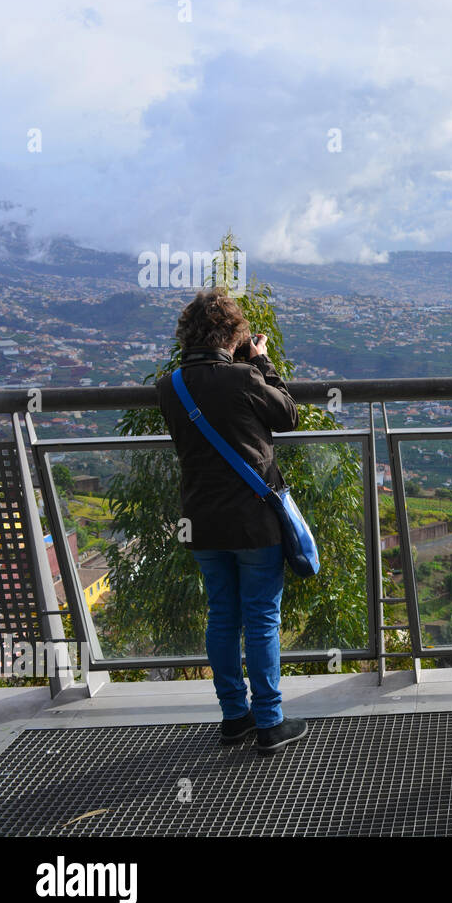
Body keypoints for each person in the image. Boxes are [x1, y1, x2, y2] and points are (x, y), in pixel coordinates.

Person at [156, 289, 309, 756]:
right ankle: (269, 721)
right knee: (261, 617)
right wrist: (261, 362)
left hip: (201, 521)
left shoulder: (170, 386)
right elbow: (288, 415)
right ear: (233, 334)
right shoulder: (245, 376)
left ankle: (232, 717)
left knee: (222, 615)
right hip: (253, 521)